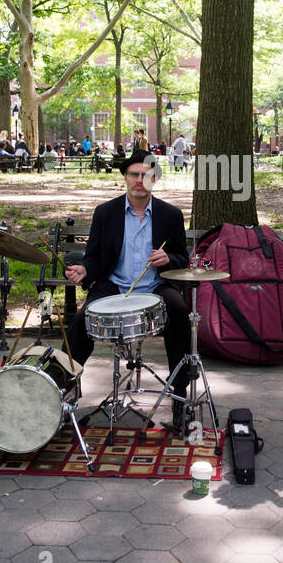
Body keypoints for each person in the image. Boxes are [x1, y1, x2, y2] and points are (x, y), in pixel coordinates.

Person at [65, 150, 193, 431]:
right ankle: (64, 391)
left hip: (155, 286)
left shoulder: (170, 215)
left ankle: (180, 397)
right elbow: (95, 258)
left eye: (146, 175)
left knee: (180, 312)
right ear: (125, 178)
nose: (139, 180)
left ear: (154, 179)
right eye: (134, 174)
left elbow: (183, 259)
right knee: (82, 320)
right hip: (114, 285)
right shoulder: (106, 213)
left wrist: (169, 259)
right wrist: (85, 270)